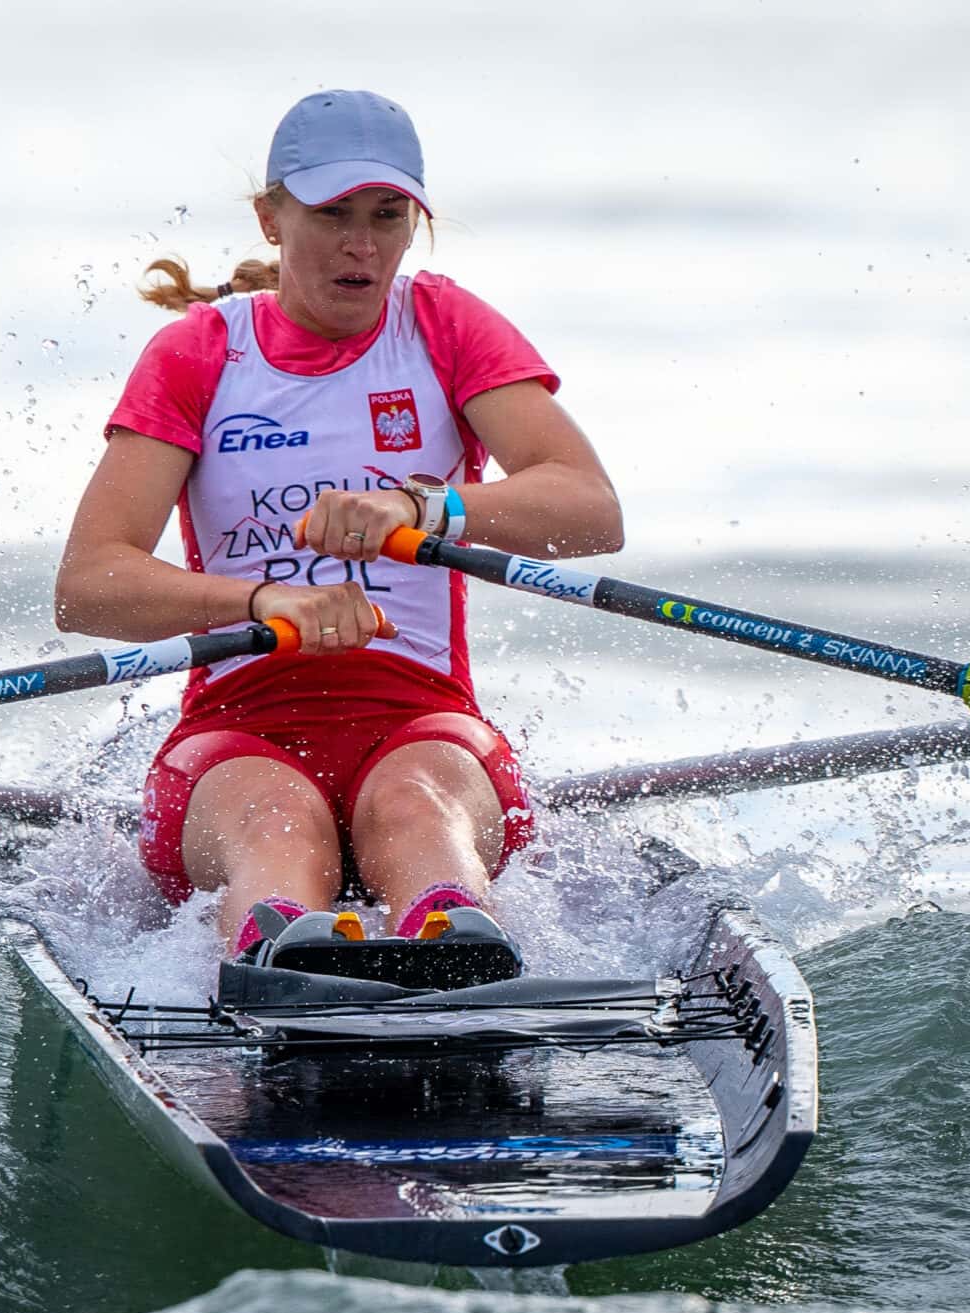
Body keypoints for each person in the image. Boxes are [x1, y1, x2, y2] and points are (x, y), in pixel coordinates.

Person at [55, 90, 623, 956]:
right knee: (280, 819)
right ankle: (283, 956)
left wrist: (425, 505)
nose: (363, 246)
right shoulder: (200, 353)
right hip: (236, 736)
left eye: (387, 216)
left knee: (417, 805)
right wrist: (262, 603)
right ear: (271, 219)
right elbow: (89, 585)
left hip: (425, 725)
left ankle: (457, 948)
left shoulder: (444, 326)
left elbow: (591, 510)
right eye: (332, 216)